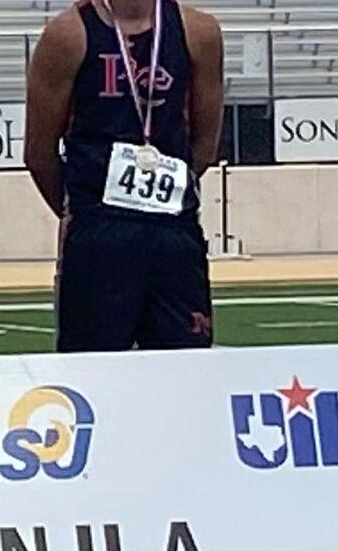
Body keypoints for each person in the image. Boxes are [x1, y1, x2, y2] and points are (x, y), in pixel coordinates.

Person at [24, 0, 224, 353]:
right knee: (91, 373)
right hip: (97, 233)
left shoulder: (199, 33)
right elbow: (39, 153)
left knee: (186, 372)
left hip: (174, 232)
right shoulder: (68, 36)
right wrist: (85, 210)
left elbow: (205, 145)